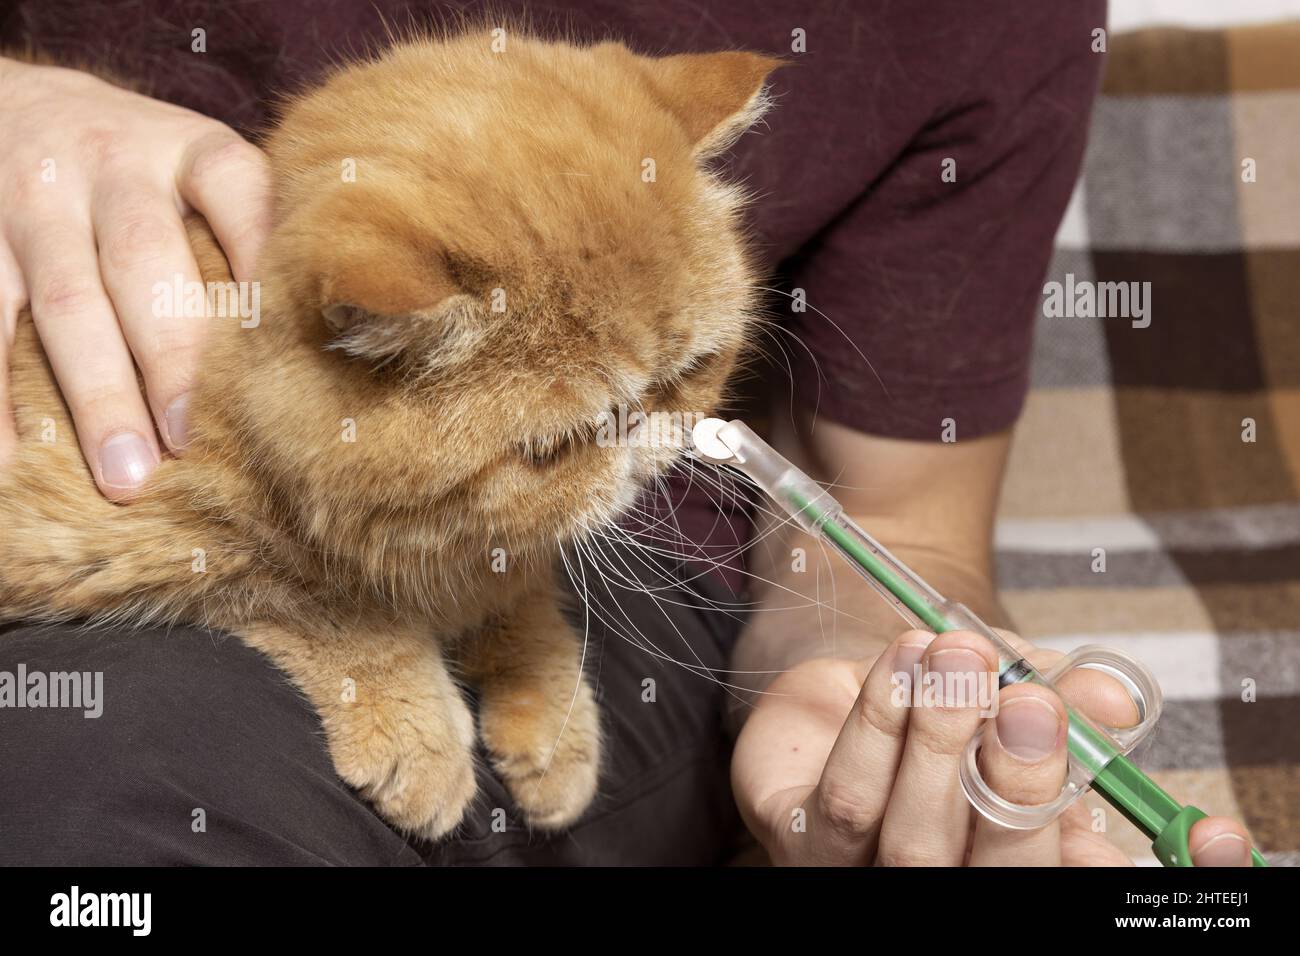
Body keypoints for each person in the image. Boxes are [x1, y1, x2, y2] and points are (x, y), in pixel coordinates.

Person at [0, 0, 1258, 866]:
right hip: (185, 439)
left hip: (643, 595)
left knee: (115, 778)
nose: (661, 439)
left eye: (693, 374)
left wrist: (859, 682)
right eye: (574, 437)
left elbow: (886, 514)